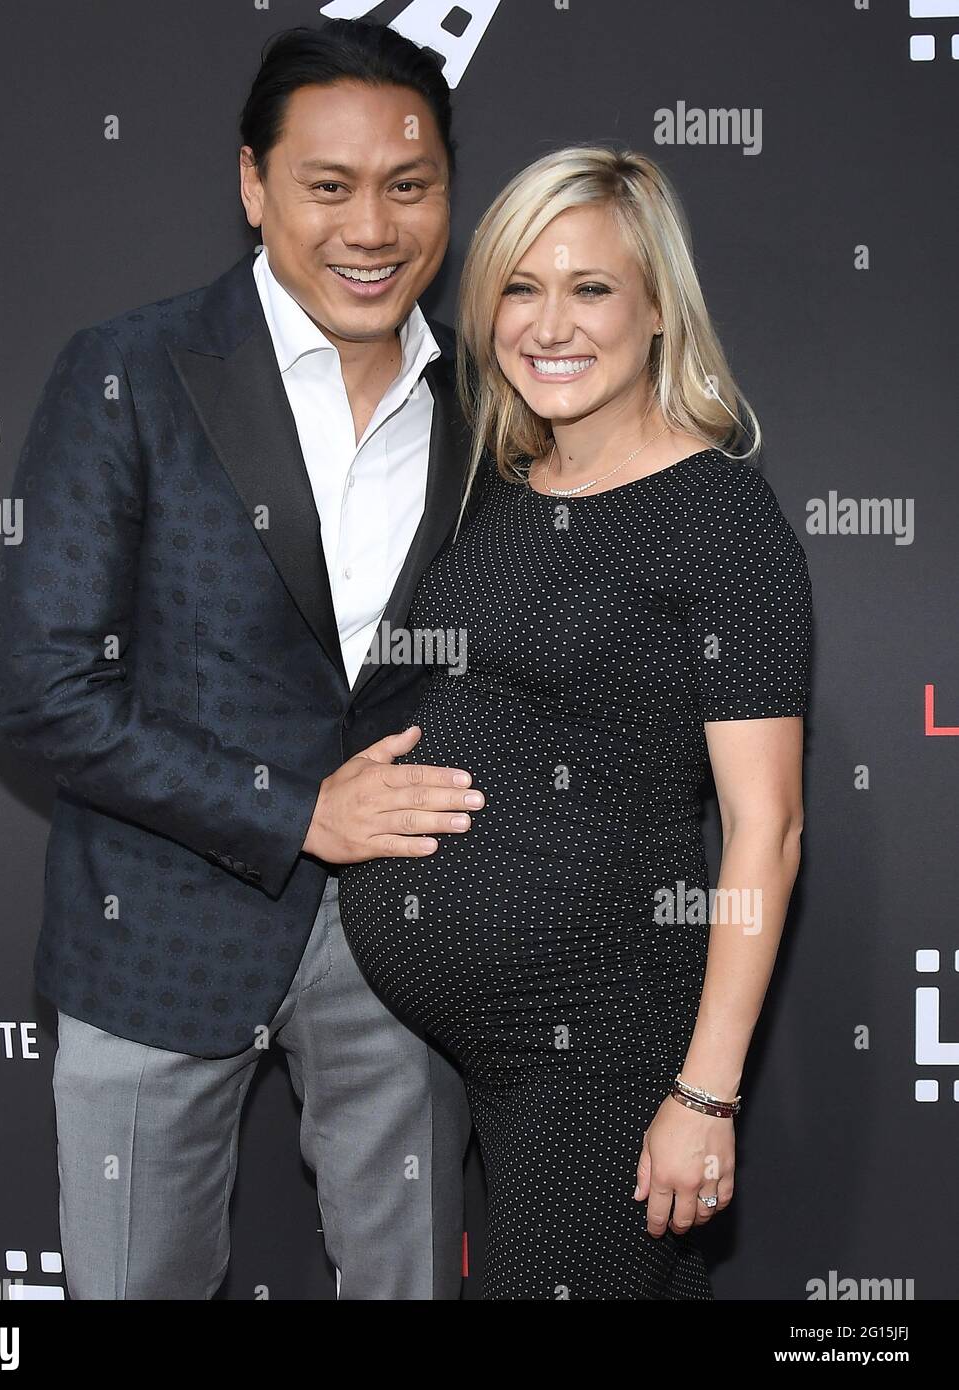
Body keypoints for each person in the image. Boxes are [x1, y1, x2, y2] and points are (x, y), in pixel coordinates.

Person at [0, 19, 484, 1300]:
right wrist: (300, 812)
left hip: (404, 931)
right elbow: (44, 693)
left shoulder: (495, 399)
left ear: (446, 191)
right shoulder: (126, 372)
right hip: (153, 928)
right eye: (327, 186)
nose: (370, 226)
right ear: (253, 185)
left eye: (406, 184)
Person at [339, 145, 813, 1299]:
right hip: (438, 1049)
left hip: (596, 1045)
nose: (548, 324)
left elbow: (769, 831)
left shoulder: (720, 521)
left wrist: (702, 1096)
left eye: (589, 288)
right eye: (519, 286)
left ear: (656, 309)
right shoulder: (493, 483)